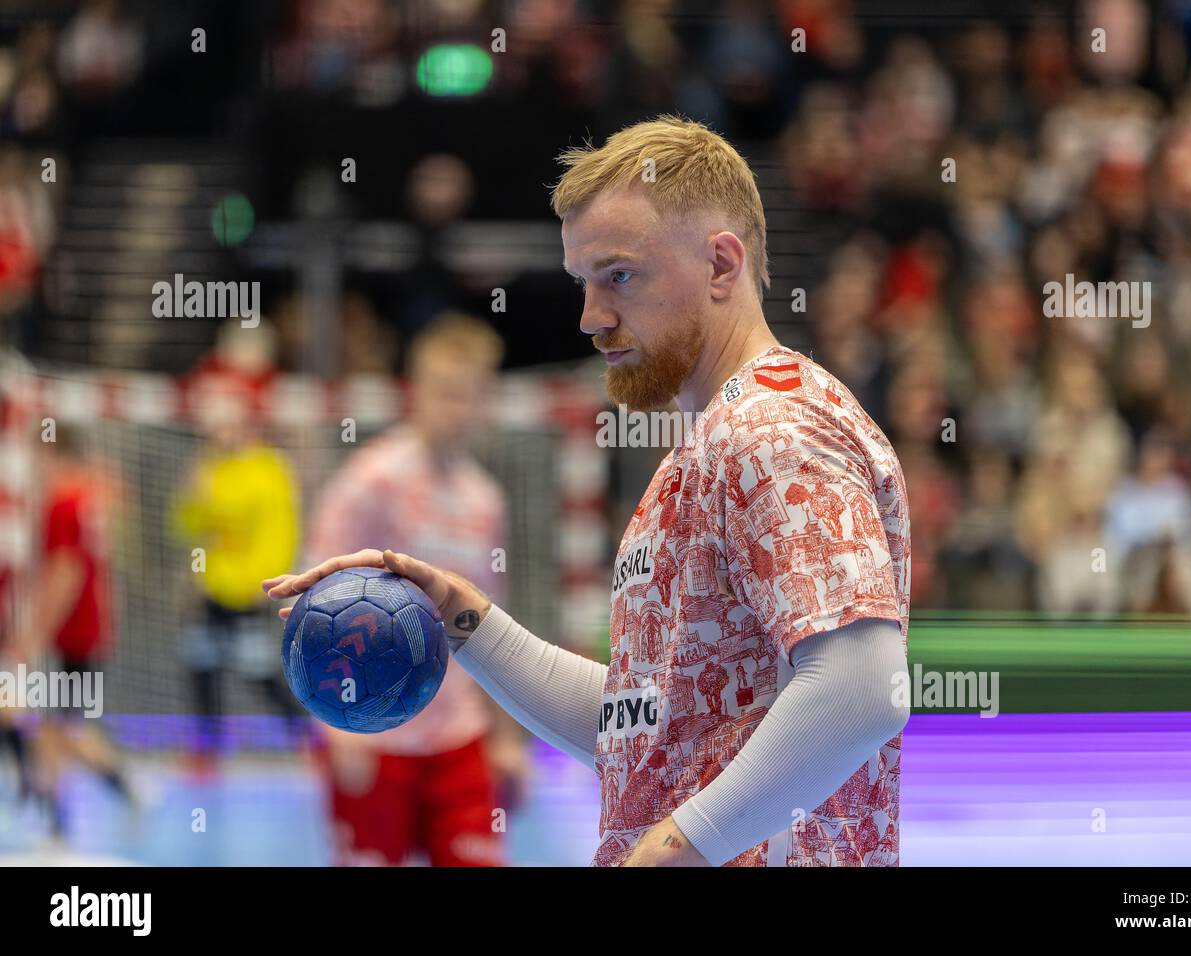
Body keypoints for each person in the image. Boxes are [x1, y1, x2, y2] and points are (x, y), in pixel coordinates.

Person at [266, 116, 912, 867]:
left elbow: (866, 689)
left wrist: (676, 845)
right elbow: (644, 726)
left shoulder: (771, 429)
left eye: (620, 276)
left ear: (721, 266)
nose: (591, 317)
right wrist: (463, 622)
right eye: (583, 282)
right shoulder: (710, 444)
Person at [305, 313, 527, 867]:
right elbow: (314, 606)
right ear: (415, 392)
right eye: (445, 393)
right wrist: (337, 726)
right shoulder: (370, 481)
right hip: (376, 733)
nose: (457, 410)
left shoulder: (485, 499)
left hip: (458, 736)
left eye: (470, 395)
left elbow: (489, 626)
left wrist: (505, 738)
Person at [170, 374, 302, 764]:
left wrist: (262, 583)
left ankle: (307, 738)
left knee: (257, 670)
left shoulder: (269, 469)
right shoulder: (211, 469)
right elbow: (188, 528)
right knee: (200, 664)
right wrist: (192, 494)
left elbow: (281, 533)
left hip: (249, 590)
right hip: (211, 589)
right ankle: (207, 749)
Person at [26, 428, 133, 834]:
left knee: (61, 726)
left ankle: (123, 787)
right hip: (87, 630)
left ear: (52, 451)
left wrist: (35, 632)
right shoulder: (90, 498)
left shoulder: (63, 501)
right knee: (55, 725)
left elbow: (66, 573)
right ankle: (58, 819)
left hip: (68, 633)